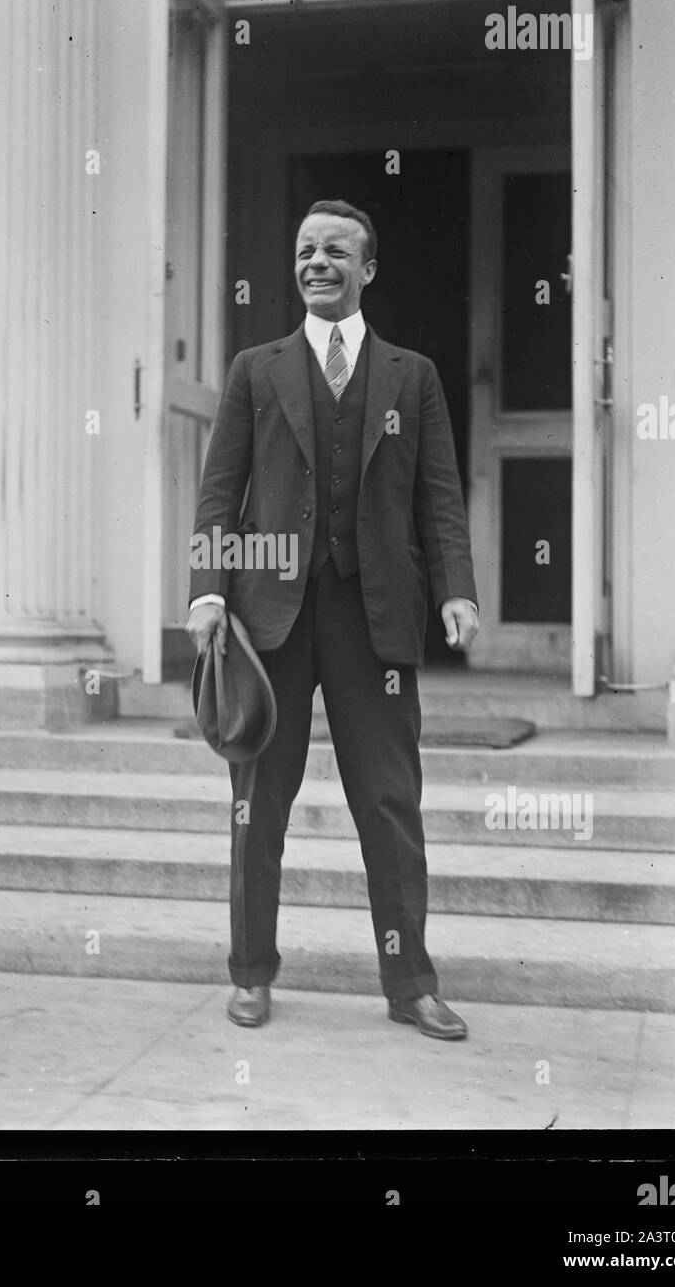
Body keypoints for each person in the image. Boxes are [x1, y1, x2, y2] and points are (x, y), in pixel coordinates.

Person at [185, 199, 479, 1040]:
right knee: (257, 806)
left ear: (367, 269)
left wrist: (455, 588)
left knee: (388, 802)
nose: (318, 262)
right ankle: (249, 974)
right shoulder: (255, 369)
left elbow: (439, 497)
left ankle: (409, 985)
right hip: (267, 617)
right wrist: (209, 590)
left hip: (374, 615)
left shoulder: (411, 376)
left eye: (336, 251)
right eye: (306, 249)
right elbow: (219, 493)